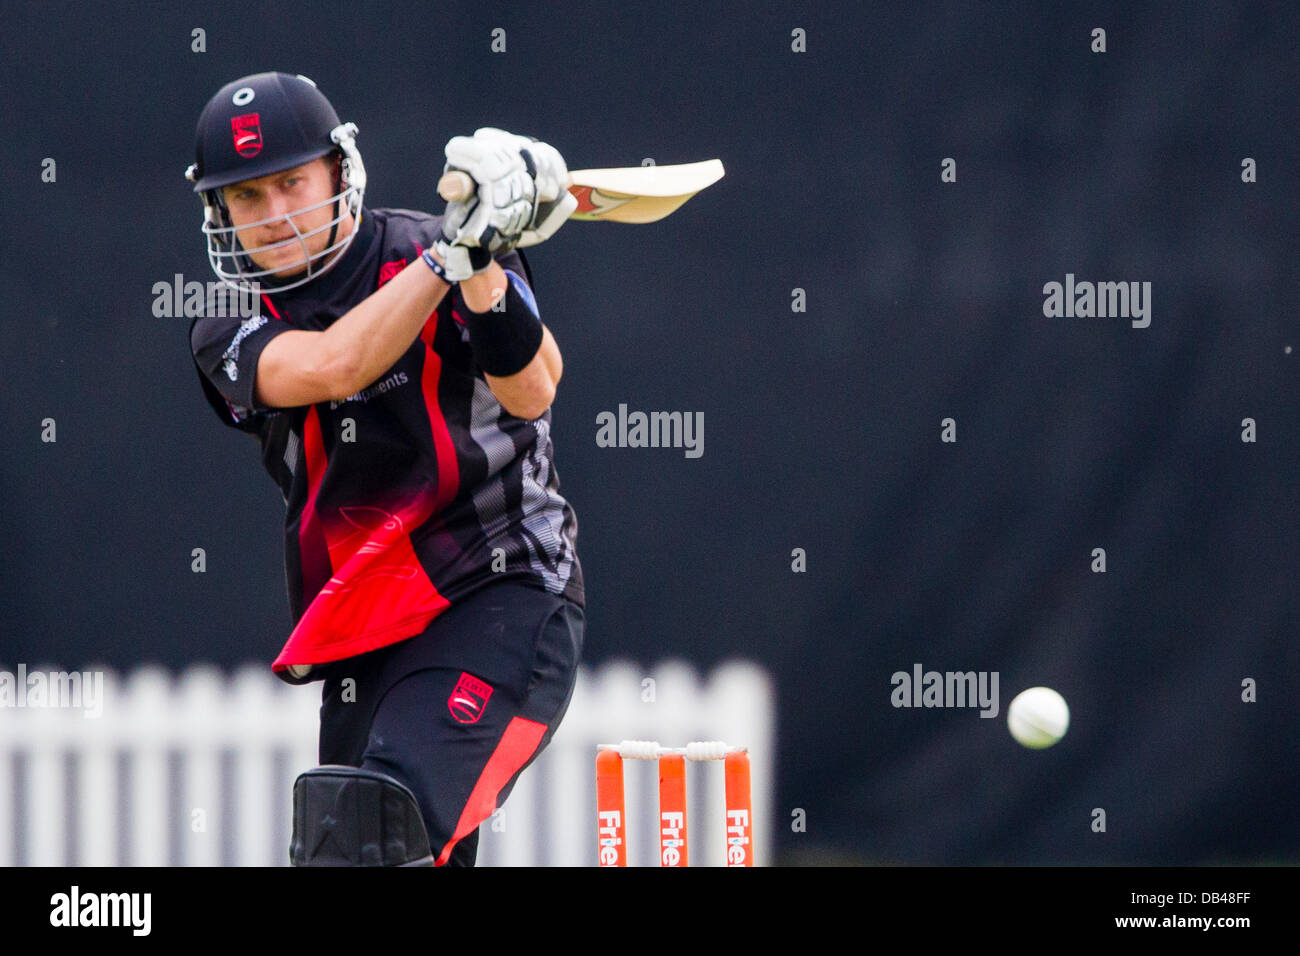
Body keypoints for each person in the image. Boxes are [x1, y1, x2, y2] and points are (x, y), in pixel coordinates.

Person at [185, 71, 585, 866]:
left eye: (292, 183)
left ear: (339, 171)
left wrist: (477, 262)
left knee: (368, 839)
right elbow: (337, 364)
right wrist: (453, 255)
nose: (276, 216)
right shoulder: (223, 329)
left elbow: (534, 387)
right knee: (353, 845)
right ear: (217, 211)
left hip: (498, 589)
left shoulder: (433, 247)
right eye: (248, 197)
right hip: (365, 629)